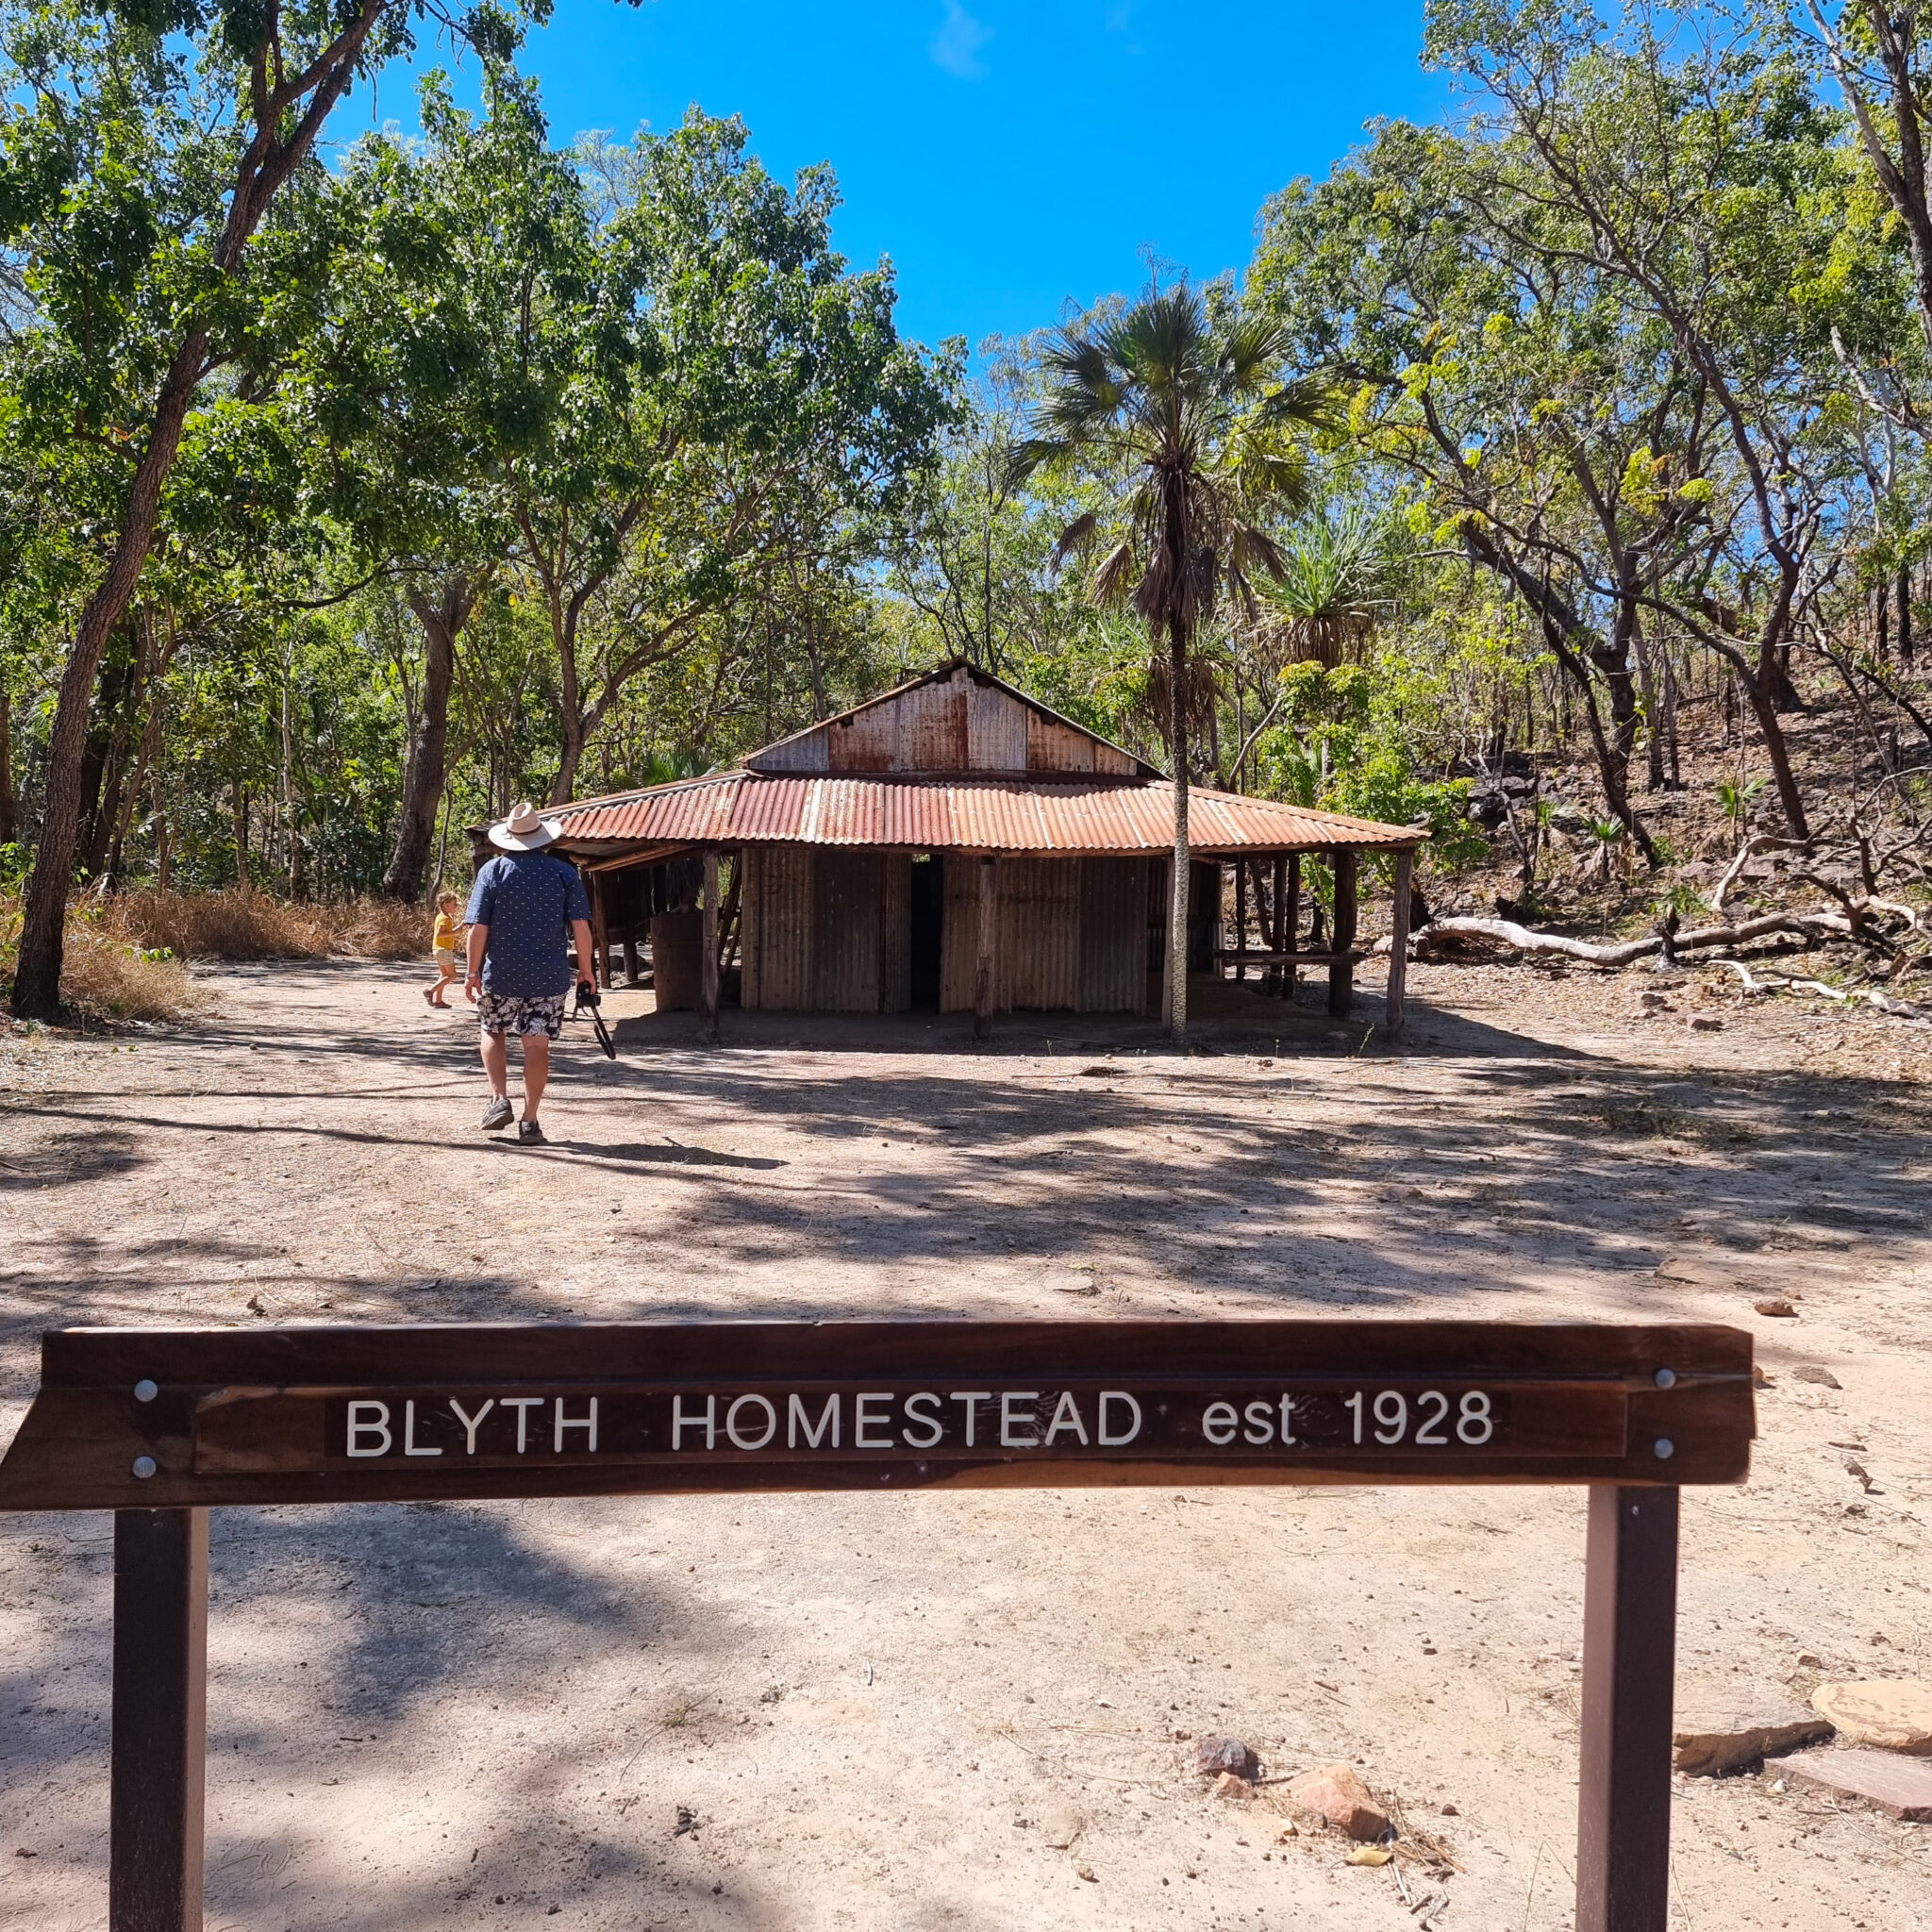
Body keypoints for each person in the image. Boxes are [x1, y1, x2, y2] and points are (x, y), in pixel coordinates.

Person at [463, 801, 595, 1144]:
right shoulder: (565, 873)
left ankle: (498, 1099)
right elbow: (580, 926)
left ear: (509, 838)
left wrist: (471, 972)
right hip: (548, 977)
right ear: (542, 838)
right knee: (537, 1047)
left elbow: (478, 927)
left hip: (501, 973)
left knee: (493, 1032)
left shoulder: (492, 871)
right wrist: (586, 970)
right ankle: (530, 1120)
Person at [423, 890, 466, 1008]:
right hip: (444, 950)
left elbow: (449, 932)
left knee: (443, 975)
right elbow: (440, 934)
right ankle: (430, 991)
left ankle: (438, 1001)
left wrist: (460, 927)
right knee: (452, 976)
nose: (456, 907)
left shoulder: (441, 916)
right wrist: (455, 932)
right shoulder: (445, 919)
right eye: (454, 904)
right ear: (445, 905)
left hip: (438, 949)